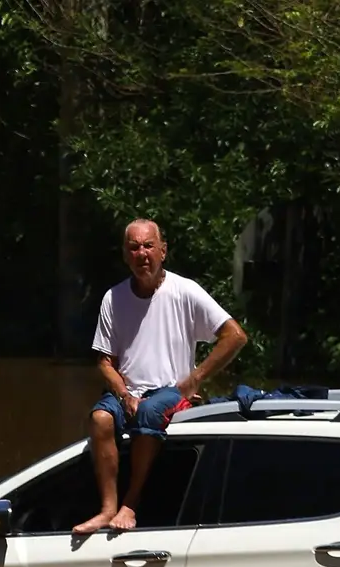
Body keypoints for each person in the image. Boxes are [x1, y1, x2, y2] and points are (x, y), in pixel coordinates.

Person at [76, 219, 247, 534]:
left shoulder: (184, 291)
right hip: (128, 391)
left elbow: (234, 335)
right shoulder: (113, 298)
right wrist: (125, 394)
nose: (142, 254)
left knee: (150, 410)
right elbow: (104, 362)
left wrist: (196, 378)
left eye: (148, 246)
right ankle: (107, 508)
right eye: (134, 247)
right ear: (126, 256)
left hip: (169, 392)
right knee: (100, 419)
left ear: (163, 251)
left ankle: (131, 501)